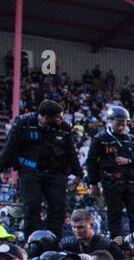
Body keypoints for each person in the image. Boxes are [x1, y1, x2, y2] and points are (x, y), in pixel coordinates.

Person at [0, 100, 83, 237]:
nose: (61, 119)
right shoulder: (24, 124)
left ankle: (54, 241)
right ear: (45, 117)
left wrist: (78, 174)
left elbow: (71, 152)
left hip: (55, 173)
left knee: (58, 208)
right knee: (32, 207)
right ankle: (33, 240)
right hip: (30, 172)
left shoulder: (64, 128)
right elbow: (9, 149)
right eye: (57, 117)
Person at [85, 105, 134, 240]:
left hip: (131, 182)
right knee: (114, 215)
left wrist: (128, 161)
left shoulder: (131, 139)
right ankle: (116, 242)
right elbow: (91, 161)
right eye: (118, 124)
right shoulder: (100, 139)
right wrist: (93, 184)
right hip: (112, 183)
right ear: (110, 121)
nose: (122, 127)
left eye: (124, 124)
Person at [62, 208, 126, 260]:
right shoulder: (68, 245)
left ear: (91, 225)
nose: (77, 231)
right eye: (74, 227)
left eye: (81, 227)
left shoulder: (108, 245)